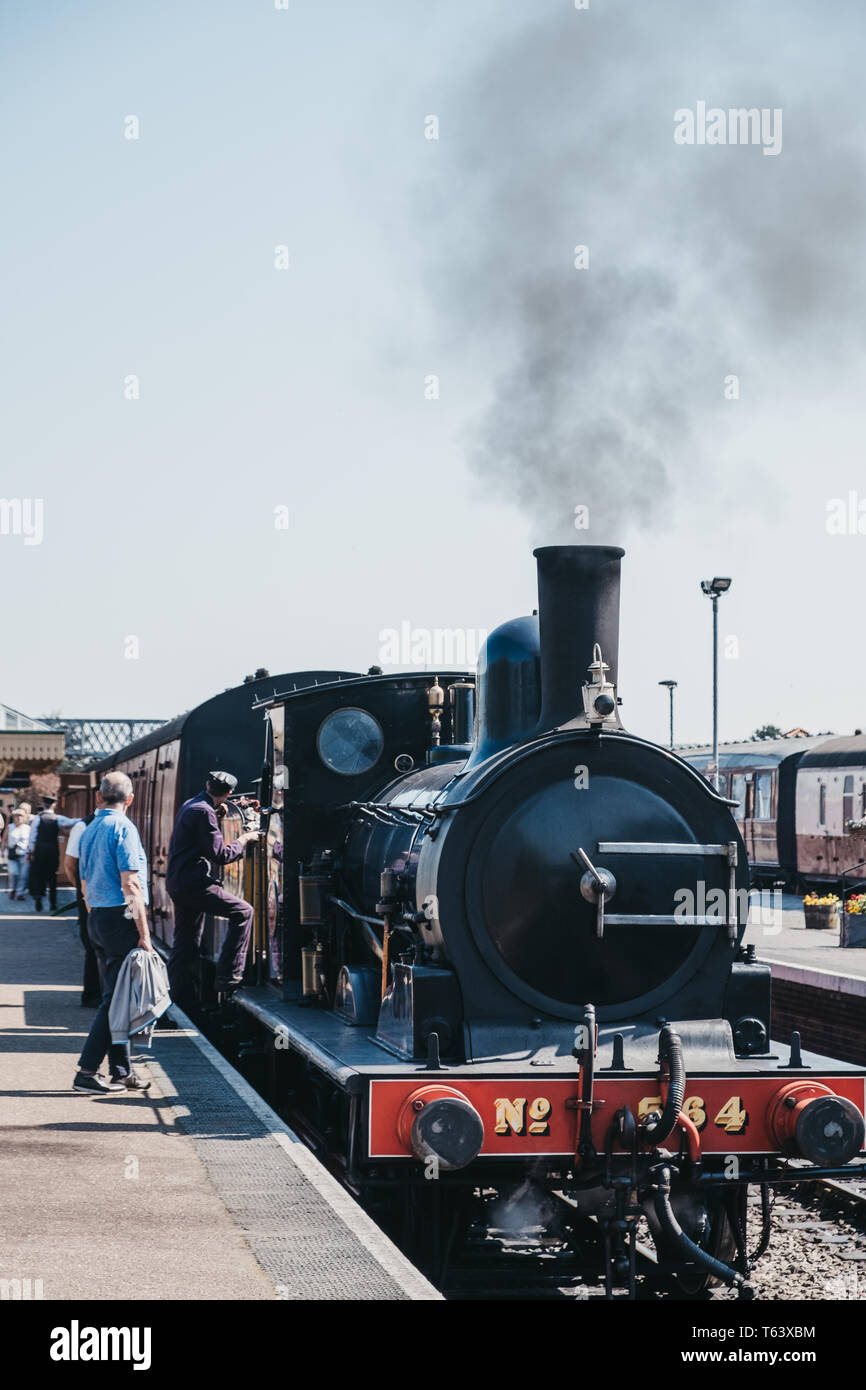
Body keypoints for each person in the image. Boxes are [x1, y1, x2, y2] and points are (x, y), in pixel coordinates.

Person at [74, 771, 153, 1094]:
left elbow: (82, 879)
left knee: (114, 996)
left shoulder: (90, 829)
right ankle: (87, 1071)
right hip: (119, 919)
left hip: (97, 917)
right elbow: (131, 883)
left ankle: (121, 1071)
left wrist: (95, 914)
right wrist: (144, 934)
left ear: (98, 797)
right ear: (130, 799)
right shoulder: (123, 827)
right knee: (114, 1000)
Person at [166, 770, 261, 1007]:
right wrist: (245, 839)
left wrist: (219, 814)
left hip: (179, 882)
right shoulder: (204, 812)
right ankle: (229, 975)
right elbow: (220, 854)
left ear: (207, 784)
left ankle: (174, 1002)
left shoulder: (193, 804)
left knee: (185, 945)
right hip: (193, 885)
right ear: (228, 793)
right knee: (243, 911)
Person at [64, 799, 102, 1007]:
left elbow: (70, 865)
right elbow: (69, 865)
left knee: (91, 943)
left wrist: (79, 885)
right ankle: (95, 993)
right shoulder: (124, 824)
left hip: (87, 892)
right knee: (94, 944)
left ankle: (93, 993)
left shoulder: (82, 825)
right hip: (99, 893)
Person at [28, 796, 80, 911]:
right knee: (52, 876)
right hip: (52, 850)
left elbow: (32, 837)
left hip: (39, 851)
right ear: (54, 805)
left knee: (39, 875)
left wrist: (30, 852)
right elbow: (71, 822)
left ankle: (38, 898)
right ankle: (53, 903)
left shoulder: (37, 819)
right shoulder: (58, 818)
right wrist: (85, 819)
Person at [6, 809, 32, 900]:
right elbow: (5, 839)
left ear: (24, 818)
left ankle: (20, 893)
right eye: (17, 816)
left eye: (21, 816)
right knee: (13, 873)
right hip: (12, 854)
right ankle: (13, 889)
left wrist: (31, 852)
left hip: (24, 853)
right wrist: (2, 850)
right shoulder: (10, 827)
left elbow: (31, 842)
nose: (19, 818)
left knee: (23, 874)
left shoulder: (28, 828)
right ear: (14, 817)